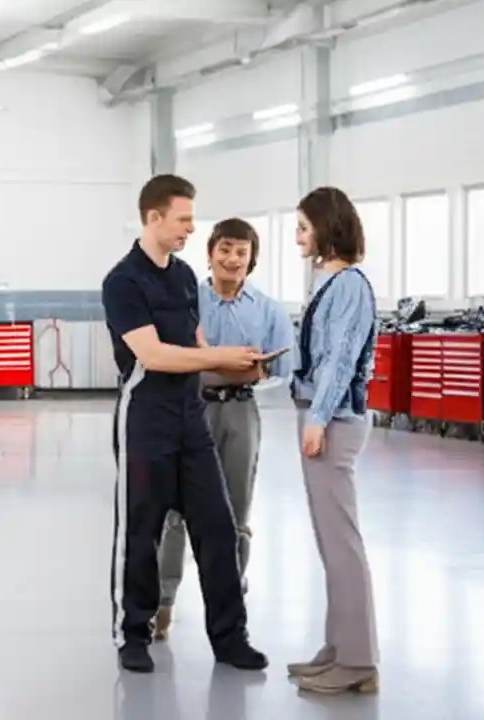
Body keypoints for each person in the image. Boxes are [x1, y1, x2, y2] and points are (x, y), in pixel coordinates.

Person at [101, 174, 270, 674]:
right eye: (183, 220)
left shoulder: (181, 277)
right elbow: (152, 355)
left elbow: (194, 350)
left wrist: (237, 367)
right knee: (141, 531)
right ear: (153, 218)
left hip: (190, 418)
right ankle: (132, 633)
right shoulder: (122, 282)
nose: (190, 230)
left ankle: (229, 637)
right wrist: (218, 355)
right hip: (145, 419)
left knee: (218, 526)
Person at [153, 218, 295, 640]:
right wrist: (221, 369)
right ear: (211, 251)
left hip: (241, 415)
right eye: (226, 249)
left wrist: (232, 373)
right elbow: (171, 359)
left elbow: (282, 372)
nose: (233, 259)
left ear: (252, 258)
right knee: (176, 511)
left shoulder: (268, 310)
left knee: (236, 513)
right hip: (189, 411)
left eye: (242, 251)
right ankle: (162, 603)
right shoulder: (185, 301)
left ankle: (229, 601)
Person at [286, 186, 380, 695]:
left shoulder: (348, 286)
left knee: (342, 542)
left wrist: (317, 420)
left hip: (336, 421)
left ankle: (359, 661)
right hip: (323, 413)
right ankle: (338, 648)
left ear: (326, 228)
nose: (297, 236)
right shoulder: (329, 282)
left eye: (303, 226)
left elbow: (341, 361)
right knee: (329, 540)